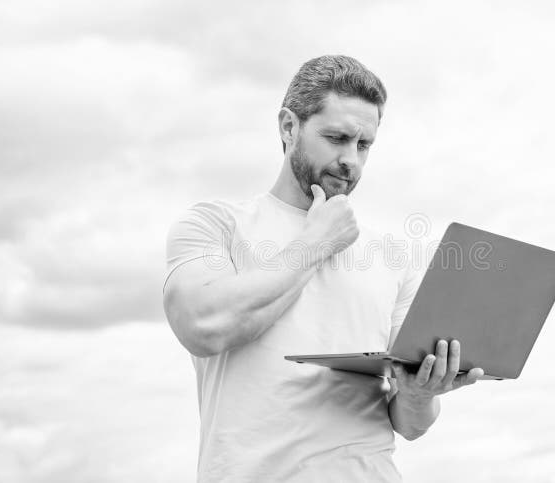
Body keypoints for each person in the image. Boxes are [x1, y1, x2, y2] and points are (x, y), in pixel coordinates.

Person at [162, 55, 484, 482]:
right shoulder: (214, 223)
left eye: (364, 145)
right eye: (336, 138)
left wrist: (420, 392)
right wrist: (317, 242)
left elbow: (411, 423)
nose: (351, 160)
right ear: (289, 127)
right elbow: (203, 326)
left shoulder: (392, 257)